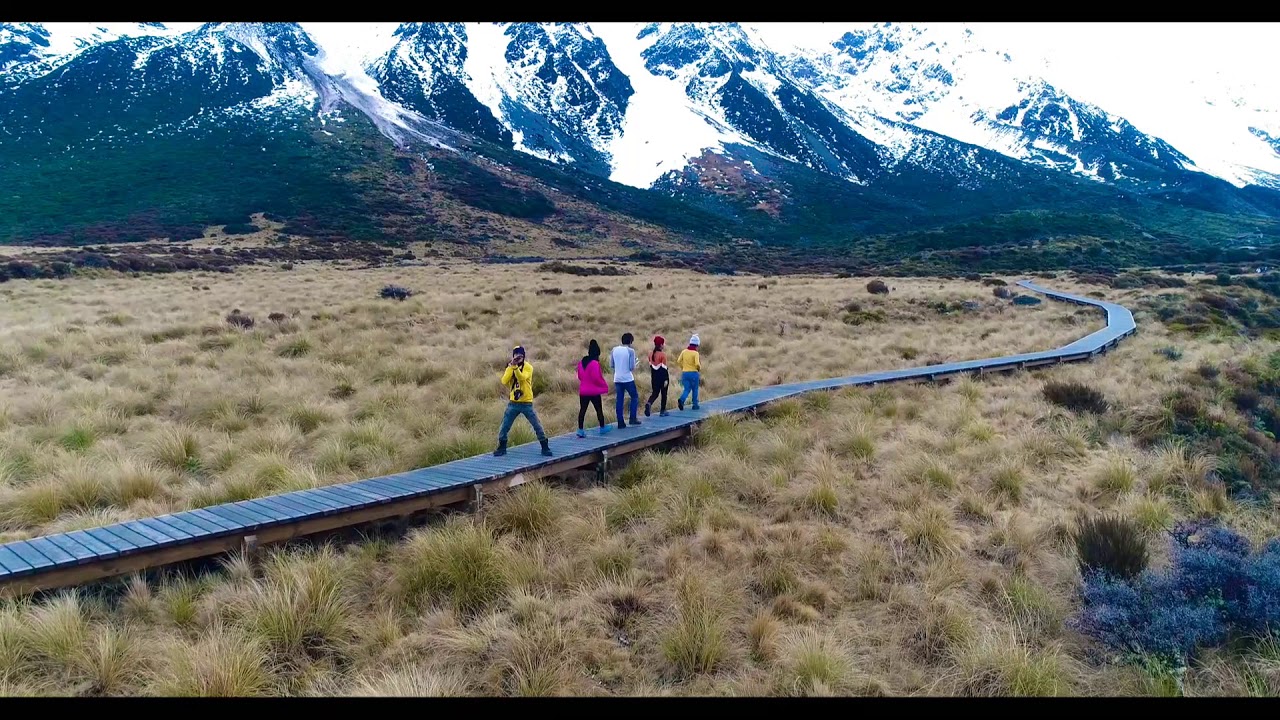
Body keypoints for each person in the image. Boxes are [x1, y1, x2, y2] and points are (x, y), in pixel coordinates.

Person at [494, 345, 552, 457]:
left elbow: (521, 378)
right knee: (505, 426)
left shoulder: (528, 367)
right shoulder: (510, 367)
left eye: (520, 355)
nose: (517, 357)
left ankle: (545, 446)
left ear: (524, 356)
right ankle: (502, 447)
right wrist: (511, 367)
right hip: (513, 403)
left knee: (536, 425)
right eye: (516, 355)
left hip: (526, 403)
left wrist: (515, 367)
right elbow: (504, 380)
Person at [576, 339, 612, 437]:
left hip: (583, 391)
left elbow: (579, 376)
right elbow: (597, 378)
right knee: (598, 409)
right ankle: (602, 427)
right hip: (593, 391)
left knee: (582, 410)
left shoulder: (581, 362)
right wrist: (604, 386)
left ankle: (580, 430)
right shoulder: (595, 363)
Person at [611, 332, 641, 428]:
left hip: (617, 378)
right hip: (627, 378)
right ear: (631, 341)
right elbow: (631, 367)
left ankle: (620, 421)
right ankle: (632, 418)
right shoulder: (630, 351)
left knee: (619, 399)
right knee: (634, 396)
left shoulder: (614, 350)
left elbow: (611, 365)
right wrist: (636, 364)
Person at [644, 335, 670, 417]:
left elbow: (651, 366)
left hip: (654, 377)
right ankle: (662, 411)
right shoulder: (663, 355)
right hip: (662, 377)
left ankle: (649, 403)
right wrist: (666, 379)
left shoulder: (650, 354)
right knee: (664, 393)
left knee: (655, 393)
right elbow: (664, 368)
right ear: (661, 345)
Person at [677, 334, 701, 411]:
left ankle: (682, 399)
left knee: (686, 389)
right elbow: (697, 363)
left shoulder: (684, 352)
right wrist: (698, 368)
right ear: (697, 344)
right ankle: (695, 405)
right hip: (694, 373)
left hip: (685, 373)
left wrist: (683, 367)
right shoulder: (695, 353)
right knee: (695, 389)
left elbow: (678, 361)